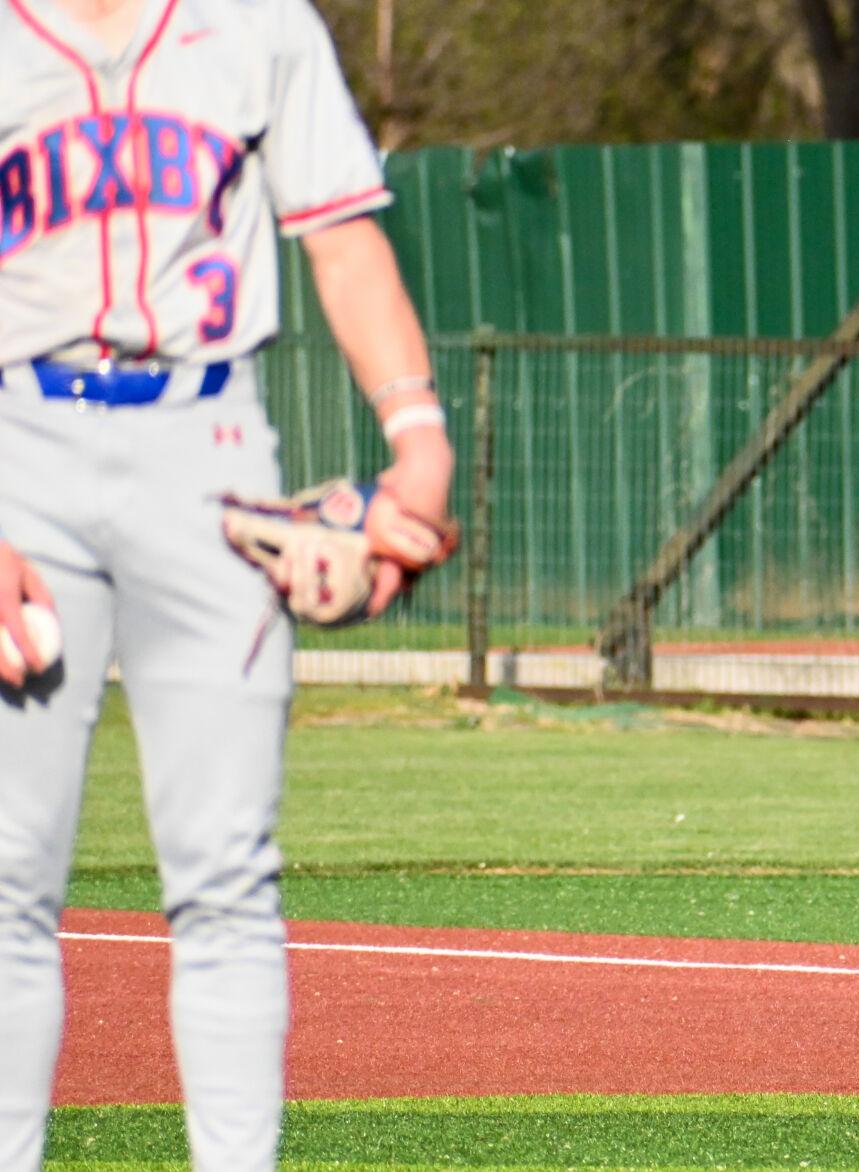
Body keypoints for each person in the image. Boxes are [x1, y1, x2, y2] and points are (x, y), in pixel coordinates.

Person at [0, 0, 454, 1165]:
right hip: (17, 453)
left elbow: (343, 240)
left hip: (210, 447)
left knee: (225, 874)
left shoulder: (257, 23)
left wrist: (419, 435)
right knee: (6, 880)